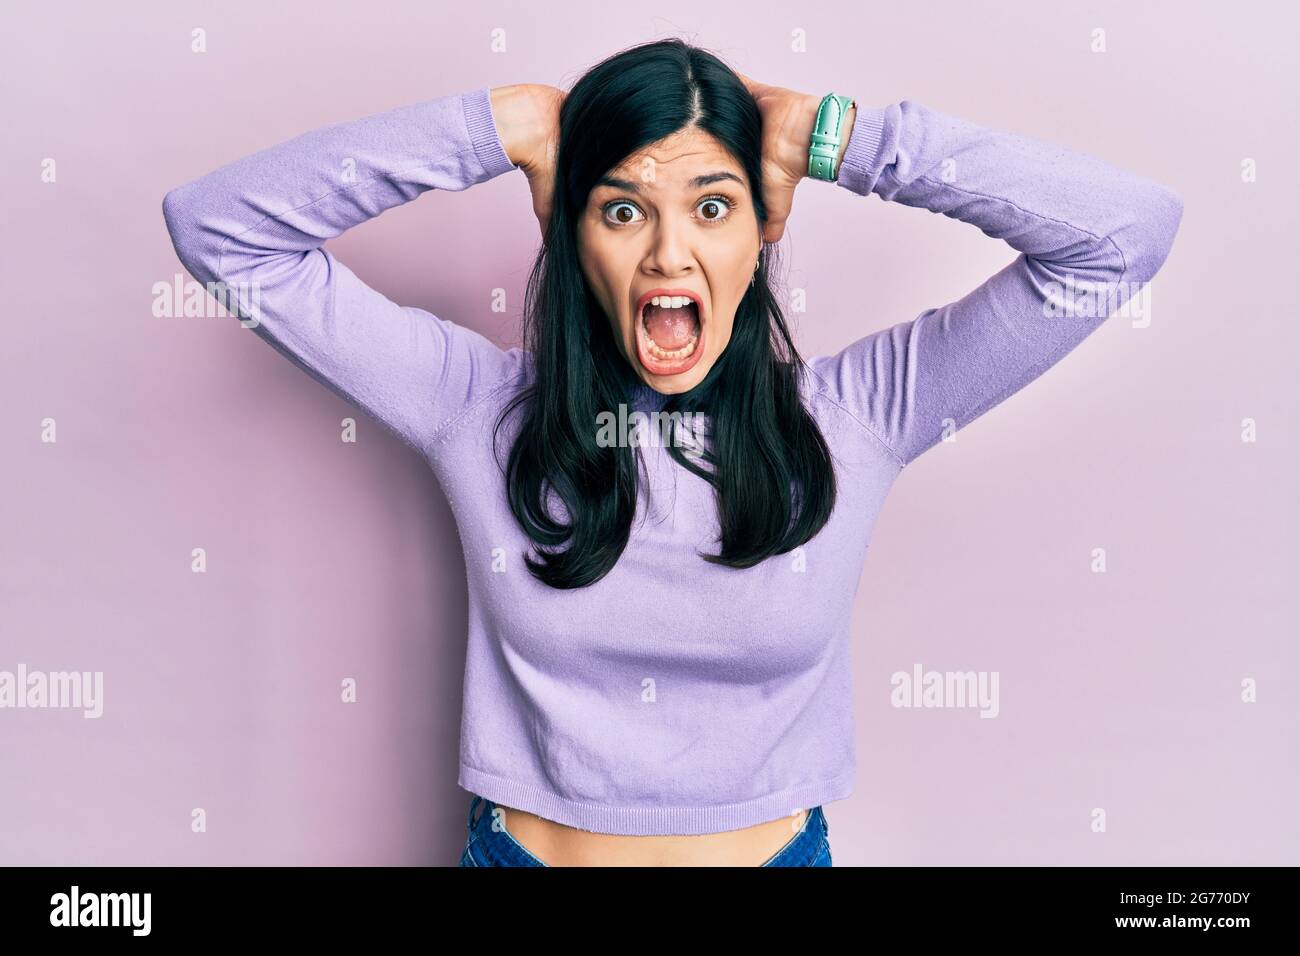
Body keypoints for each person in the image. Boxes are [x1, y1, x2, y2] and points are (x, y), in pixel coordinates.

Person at [161, 38, 1183, 867]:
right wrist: (502, 124)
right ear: (573, 238)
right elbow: (221, 232)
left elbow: (1121, 236)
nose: (667, 252)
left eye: (710, 205)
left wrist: (836, 137)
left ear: (760, 230)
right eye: (620, 209)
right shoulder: (472, 406)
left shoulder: (861, 413)